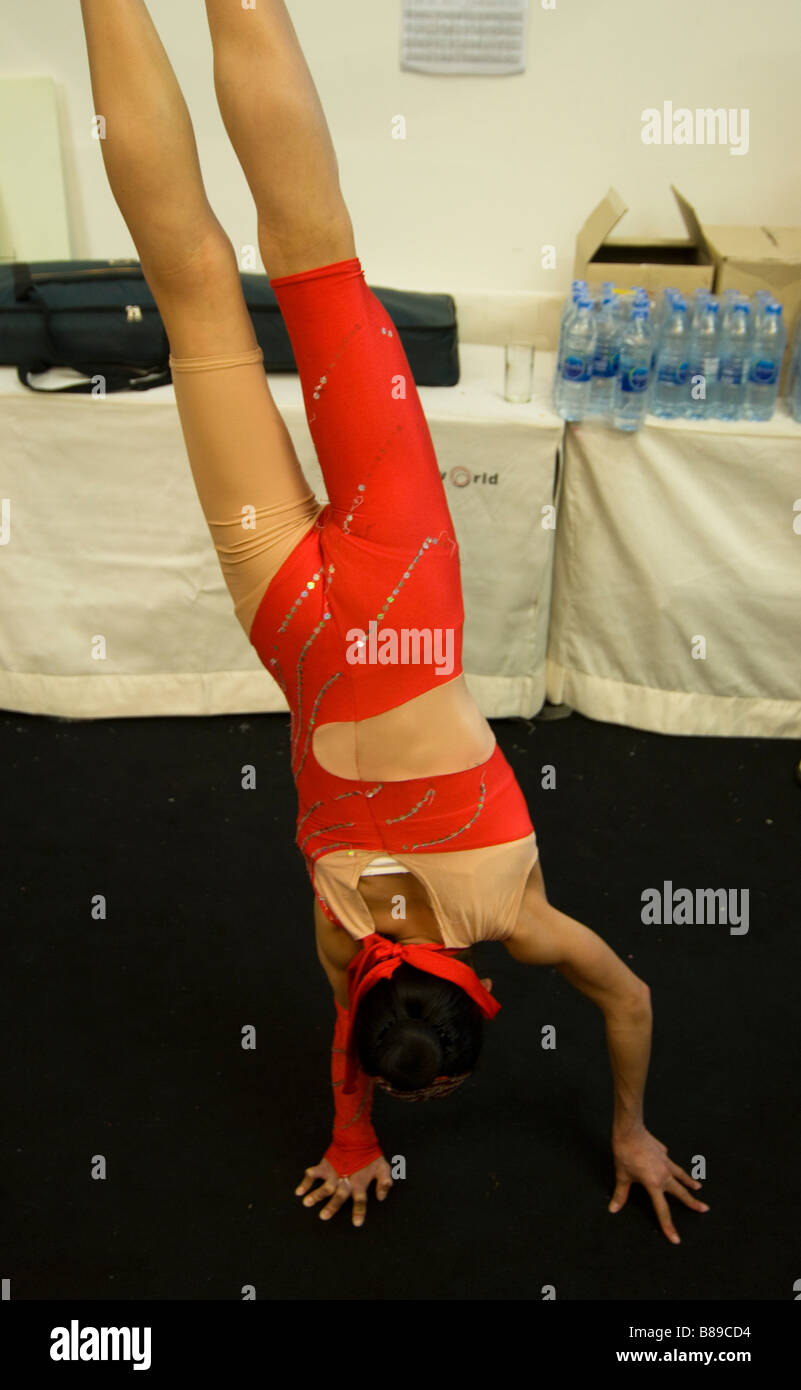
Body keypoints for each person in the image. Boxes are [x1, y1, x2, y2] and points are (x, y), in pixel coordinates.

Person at [80, 0, 710, 1238]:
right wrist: (351, 1132)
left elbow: (627, 998)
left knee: (313, 258)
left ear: (477, 987)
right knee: (196, 289)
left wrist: (634, 1124)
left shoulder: (519, 920)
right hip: (292, 617)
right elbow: (355, 1031)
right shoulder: (338, 937)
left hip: (402, 578)